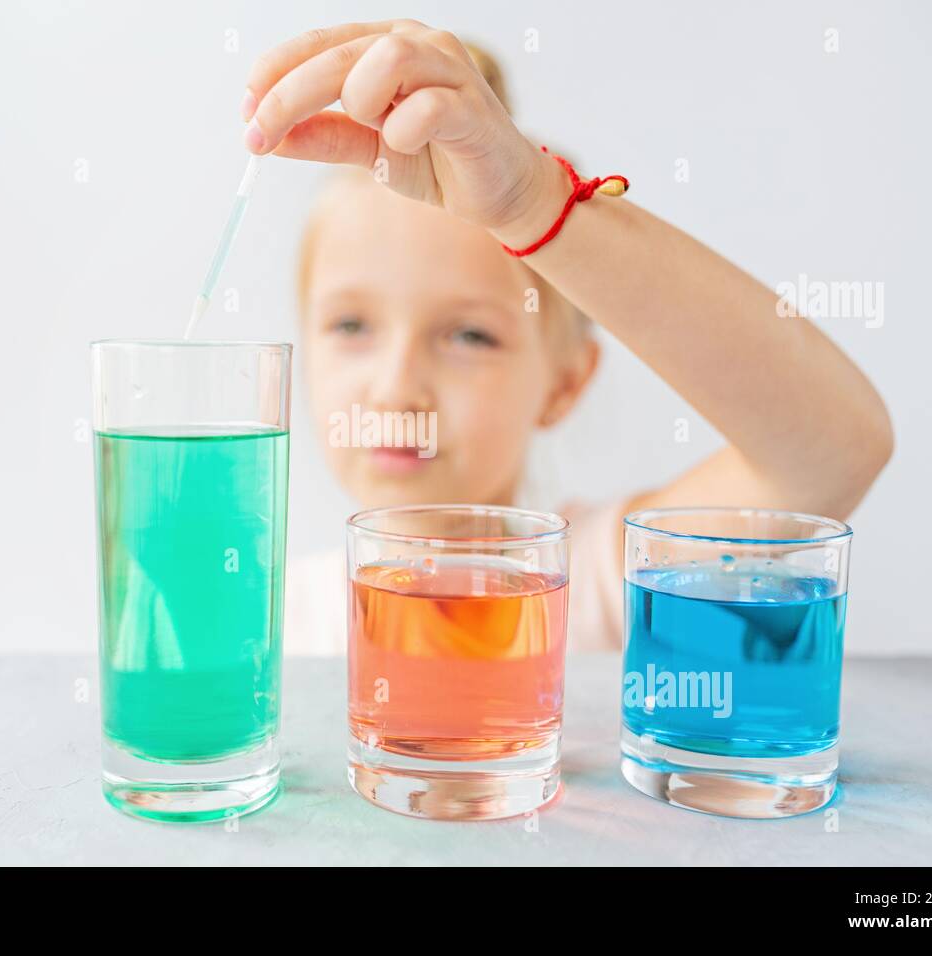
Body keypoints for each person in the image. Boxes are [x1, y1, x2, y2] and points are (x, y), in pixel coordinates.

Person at [239, 19, 892, 653]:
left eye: (469, 335)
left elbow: (834, 450)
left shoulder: (596, 582)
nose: (396, 389)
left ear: (566, 382)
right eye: (351, 325)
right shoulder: (271, 622)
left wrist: (531, 204)